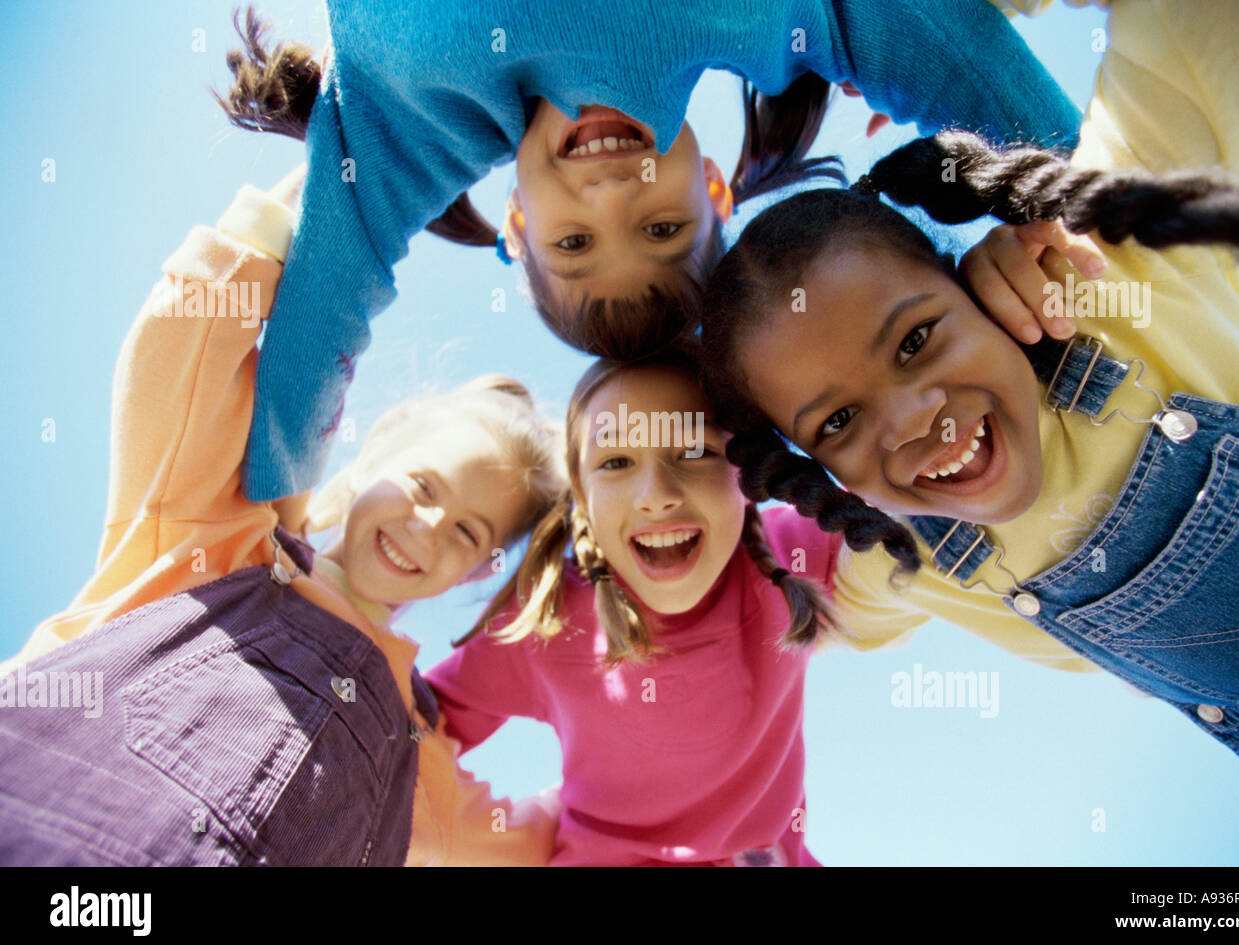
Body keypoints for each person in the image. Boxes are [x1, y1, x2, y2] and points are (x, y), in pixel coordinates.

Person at [699, 0, 1239, 820]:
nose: (912, 419)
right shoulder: (903, 557)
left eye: (915, 339)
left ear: (972, 283)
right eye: (836, 424)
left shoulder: (1105, 263)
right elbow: (765, 609)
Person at [217, 0, 1085, 503]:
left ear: (518, 226)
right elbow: (1058, 157)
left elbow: (322, 313)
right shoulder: (771, 22)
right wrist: (1059, 216)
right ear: (711, 189)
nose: (611, 194)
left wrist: (277, 503)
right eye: (664, 230)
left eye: (573, 243)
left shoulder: (407, 118)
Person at [0, 168, 566, 865]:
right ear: (377, 447)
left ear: (479, 571)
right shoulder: (222, 540)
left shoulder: (422, 744)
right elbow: (181, 364)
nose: (426, 525)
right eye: (422, 485)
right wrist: (293, 211)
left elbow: (549, 841)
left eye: (466, 533)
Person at [426, 348, 843, 865]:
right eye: (617, 462)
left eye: (695, 451)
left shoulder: (790, 554)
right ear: (582, 492)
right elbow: (418, 723)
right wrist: (485, 836)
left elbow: (915, 509)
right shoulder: (548, 614)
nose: (656, 494)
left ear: (750, 474)